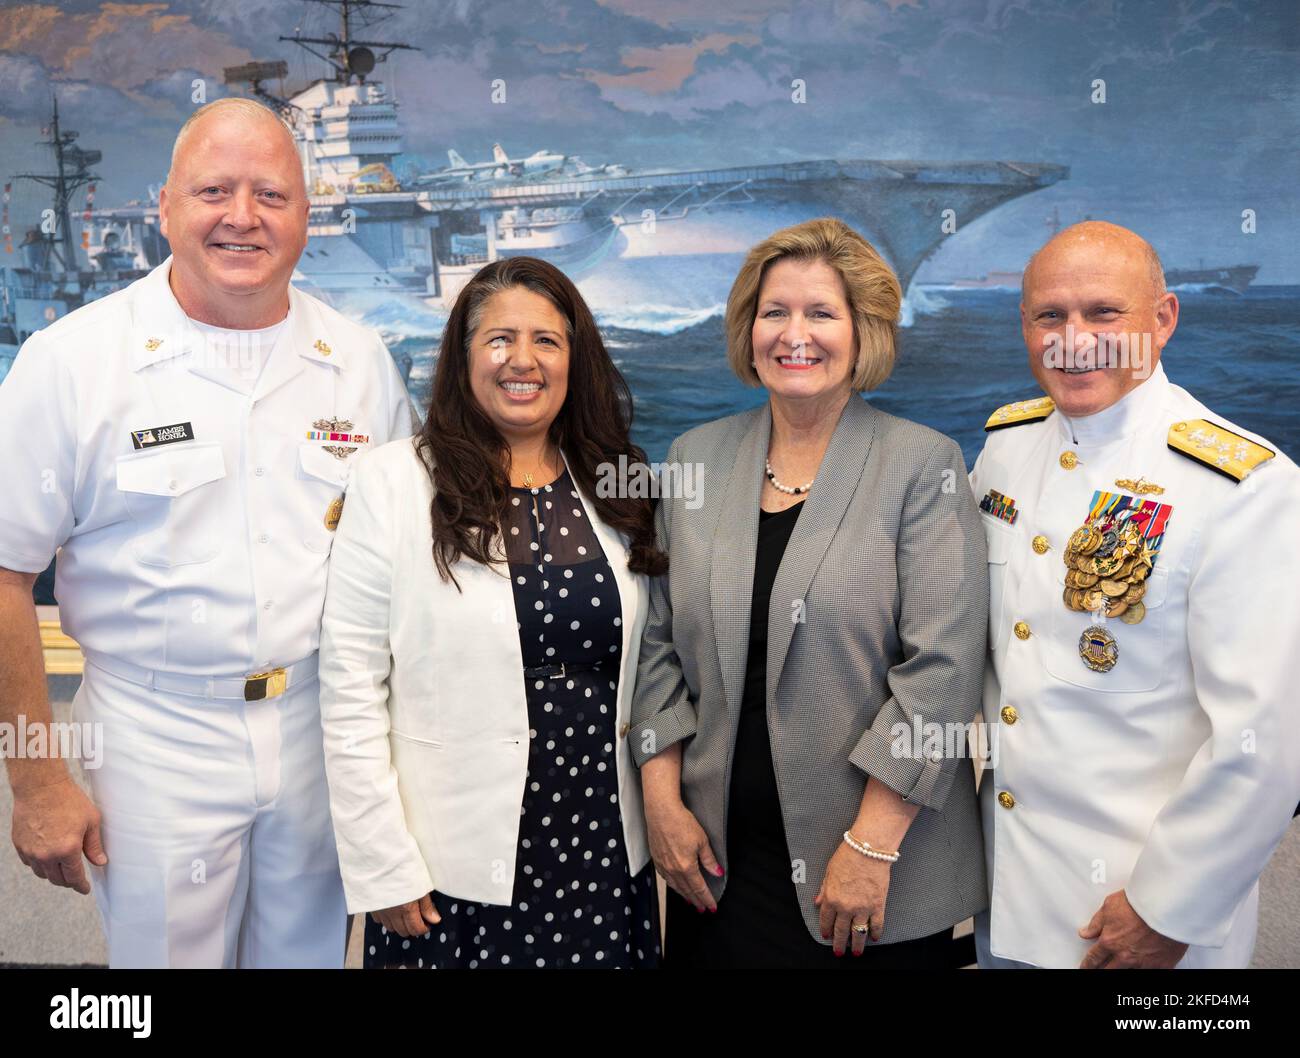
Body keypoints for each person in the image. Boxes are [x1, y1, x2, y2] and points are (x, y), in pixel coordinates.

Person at [0, 97, 417, 968]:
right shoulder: (72, 363)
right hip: (156, 736)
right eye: (213, 190)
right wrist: (36, 776)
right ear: (164, 206)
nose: (242, 216)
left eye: (271, 194)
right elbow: (5, 571)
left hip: (318, 728)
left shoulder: (360, 364)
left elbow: (404, 561)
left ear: (307, 213)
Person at [631, 217, 989, 968]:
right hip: (717, 870)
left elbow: (943, 673)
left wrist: (870, 846)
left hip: (874, 876)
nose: (796, 334)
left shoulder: (922, 465)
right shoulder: (695, 458)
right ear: (747, 328)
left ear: (864, 333)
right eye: (775, 312)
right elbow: (657, 646)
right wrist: (662, 807)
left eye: (822, 313)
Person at [318, 256, 666, 969]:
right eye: (499, 338)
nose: (523, 360)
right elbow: (350, 689)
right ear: (464, 355)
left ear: (577, 360)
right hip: (451, 871)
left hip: (602, 848)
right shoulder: (391, 483)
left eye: (547, 340)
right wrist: (382, 862)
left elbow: (658, 665)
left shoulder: (617, 484)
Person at [970, 221, 1300, 969]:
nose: (1074, 338)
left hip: (1142, 923)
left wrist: (1168, 907)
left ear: (1164, 318)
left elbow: (1267, 742)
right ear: (1024, 326)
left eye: (1103, 313)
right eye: (1049, 316)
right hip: (1009, 896)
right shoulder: (1004, 450)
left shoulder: (1242, 487)